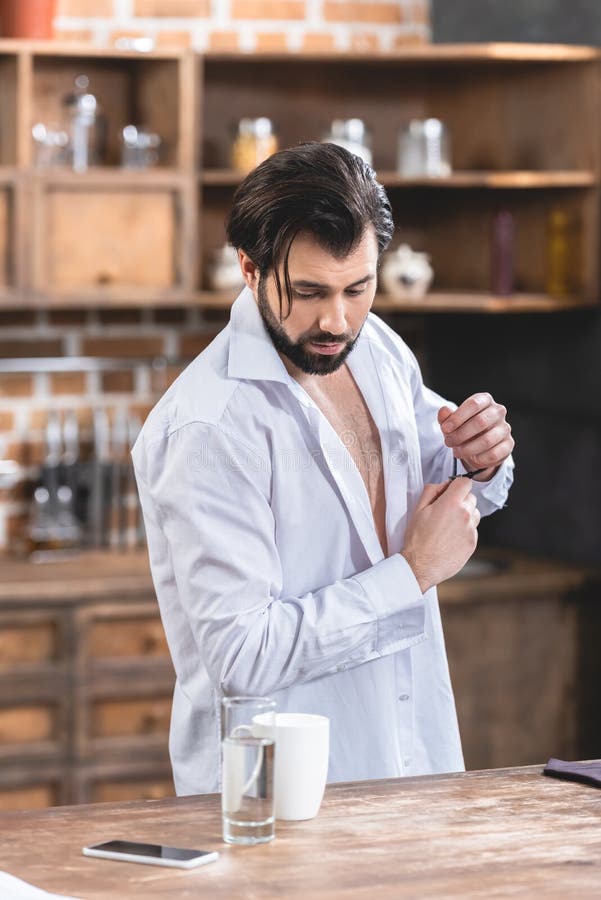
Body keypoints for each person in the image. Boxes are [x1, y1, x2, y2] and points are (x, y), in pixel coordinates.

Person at [132, 142, 514, 796]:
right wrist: (413, 573)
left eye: (356, 288)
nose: (336, 320)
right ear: (250, 270)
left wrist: (480, 456)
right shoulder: (210, 425)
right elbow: (243, 659)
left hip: (413, 768)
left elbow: (453, 476)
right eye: (307, 292)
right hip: (277, 801)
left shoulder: (380, 351)